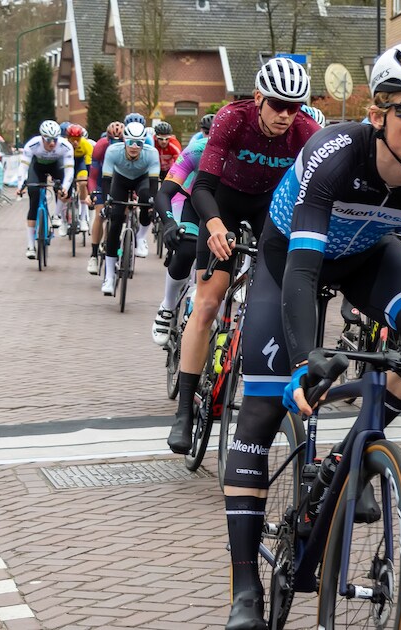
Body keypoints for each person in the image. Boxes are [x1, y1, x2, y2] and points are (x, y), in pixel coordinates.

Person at [216, 42, 401, 630]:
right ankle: (245, 589)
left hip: (370, 256)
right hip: (291, 260)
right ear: (377, 113)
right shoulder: (333, 153)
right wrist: (303, 361)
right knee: (264, 412)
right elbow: (304, 270)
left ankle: (352, 455)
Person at [165, 57, 320, 455]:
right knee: (208, 302)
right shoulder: (232, 119)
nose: (286, 115)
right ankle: (184, 410)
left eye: (295, 106)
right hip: (225, 203)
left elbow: (317, 194)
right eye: (278, 105)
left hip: (271, 207)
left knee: (281, 289)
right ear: (257, 98)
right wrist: (214, 224)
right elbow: (201, 187)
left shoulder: (307, 132)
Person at [151, 135, 207, 345]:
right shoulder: (197, 150)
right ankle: (167, 305)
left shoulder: (252, 155)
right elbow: (164, 193)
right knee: (186, 249)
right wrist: (169, 224)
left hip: (225, 207)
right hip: (188, 201)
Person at [98, 121, 160, 295]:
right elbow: (106, 181)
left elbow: (154, 184)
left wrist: (153, 206)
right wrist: (106, 203)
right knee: (116, 220)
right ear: (124, 140)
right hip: (120, 180)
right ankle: (109, 277)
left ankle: (140, 237)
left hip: (142, 180)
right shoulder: (113, 151)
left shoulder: (151, 154)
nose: (134, 146)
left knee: (148, 201)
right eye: (130, 142)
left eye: (139, 143)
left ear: (144, 143)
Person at [16, 121, 73, 259]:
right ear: (42, 138)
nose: (52, 143)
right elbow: (23, 167)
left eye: (55, 139)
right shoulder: (32, 144)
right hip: (37, 168)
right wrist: (20, 186)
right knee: (34, 198)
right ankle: (30, 245)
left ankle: (57, 215)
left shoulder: (65, 146)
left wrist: (64, 188)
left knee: (65, 190)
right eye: (48, 140)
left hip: (56, 166)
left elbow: (69, 172)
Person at [87, 121, 124, 274]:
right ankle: (94, 255)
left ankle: (119, 250)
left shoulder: (130, 147)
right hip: (104, 182)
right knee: (99, 214)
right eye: (112, 142)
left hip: (121, 182)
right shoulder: (101, 146)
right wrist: (92, 193)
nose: (115, 146)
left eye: (118, 142)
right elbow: (93, 176)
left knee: (122, 214)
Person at [64, 124, 94, 237]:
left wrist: (88, 179)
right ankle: (63, 219)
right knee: (64, 188)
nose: (75, 142)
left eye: (78, 139)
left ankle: (82, 219)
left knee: (82, 183)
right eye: (72, 139)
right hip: (67, 164)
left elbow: (90, 165)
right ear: (68, 138)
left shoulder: (86, 145)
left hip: (81, 163)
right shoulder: (64, 145)